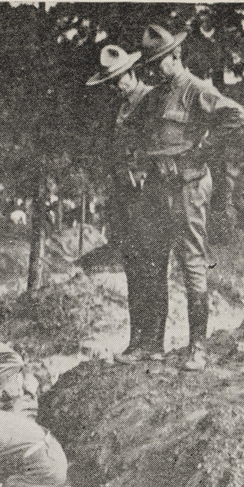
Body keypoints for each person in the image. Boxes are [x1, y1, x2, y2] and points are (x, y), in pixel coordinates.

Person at [137, 23, 244, 371]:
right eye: (152, 63)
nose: (157, 68)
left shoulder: (196, 89)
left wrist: (202, 150)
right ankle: (153, 346)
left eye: (161, 61)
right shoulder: (158, 95)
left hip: (189, 185)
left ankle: (198, 348)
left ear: (177, 56)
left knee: (192, 263)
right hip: (160, 187)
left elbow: (241, 120)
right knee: (155, 261)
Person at [85, 44, 169, 364]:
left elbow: (162, 142)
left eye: (120, 78)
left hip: (153, 199)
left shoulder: (152, 100)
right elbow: (113, 153)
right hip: (127, 200)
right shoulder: (118, 109)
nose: (117, 85)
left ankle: (155, 343)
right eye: (112, 82)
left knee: (154, 269)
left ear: (132, 73)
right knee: (134, 271)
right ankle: (137, 341)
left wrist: (146, 169)